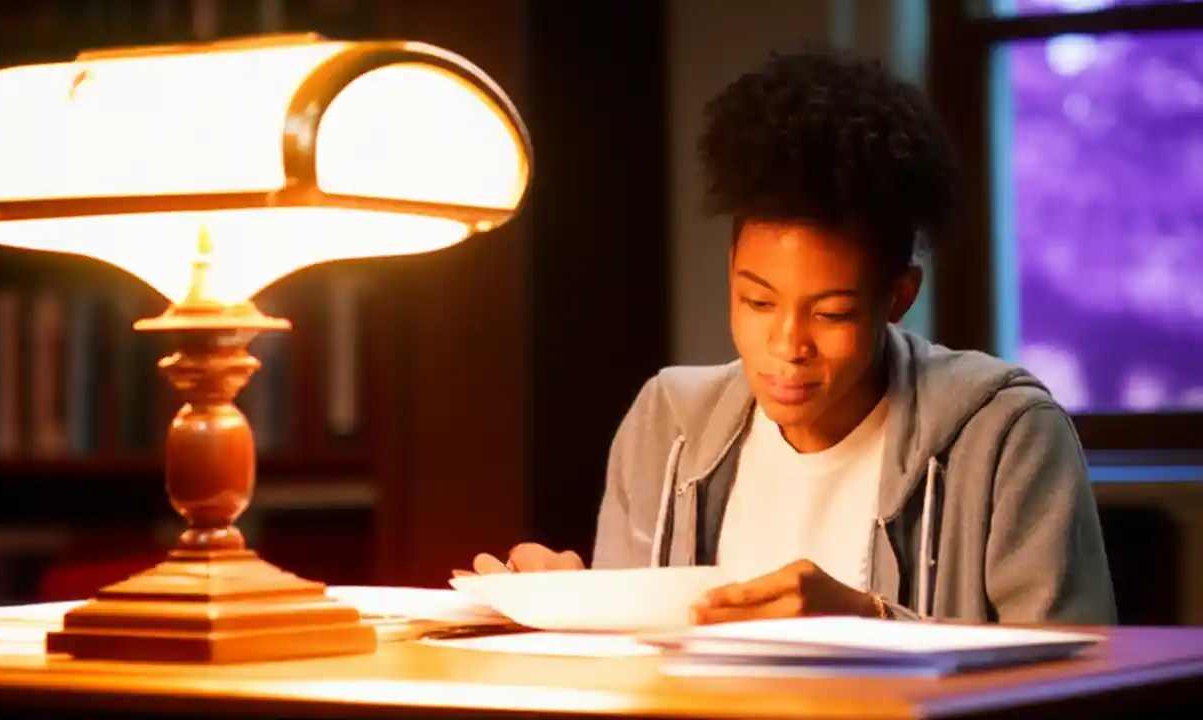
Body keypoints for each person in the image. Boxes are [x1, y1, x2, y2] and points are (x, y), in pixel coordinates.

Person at [464, 48, 1117, 624]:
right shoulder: (669, 427)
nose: (787, 344)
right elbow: (642, 677)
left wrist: (870, 623)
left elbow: (1081, 674)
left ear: (898, 297)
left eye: (829, 313)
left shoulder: (1004, 436)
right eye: (756, 300)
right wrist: (574, 612)